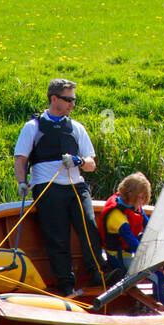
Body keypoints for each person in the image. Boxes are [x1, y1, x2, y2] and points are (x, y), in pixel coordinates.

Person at [14, 78, 106, 297]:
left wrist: (79, 161)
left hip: (76, 185)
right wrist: (21, 182)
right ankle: (66, 285)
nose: (72, 104)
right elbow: (20, 160)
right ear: (54, 98)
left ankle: (98, 274)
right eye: (68, 99)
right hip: (47, 186)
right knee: (57, 237)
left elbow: (91, 164)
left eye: (74, 100)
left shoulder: (77, 128)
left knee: (89, 228)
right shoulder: (33, 127)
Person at [95, 173, 160, 299]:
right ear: (130, 194)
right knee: (158, 276)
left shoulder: (134, 206)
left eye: (144, 197)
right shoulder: (117, 216)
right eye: (140, 197)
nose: (142, 201)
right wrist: (155, 259)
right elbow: (133, 244)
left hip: (129, 252)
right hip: (118, 257)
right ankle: (156, 308)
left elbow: (150, 227)